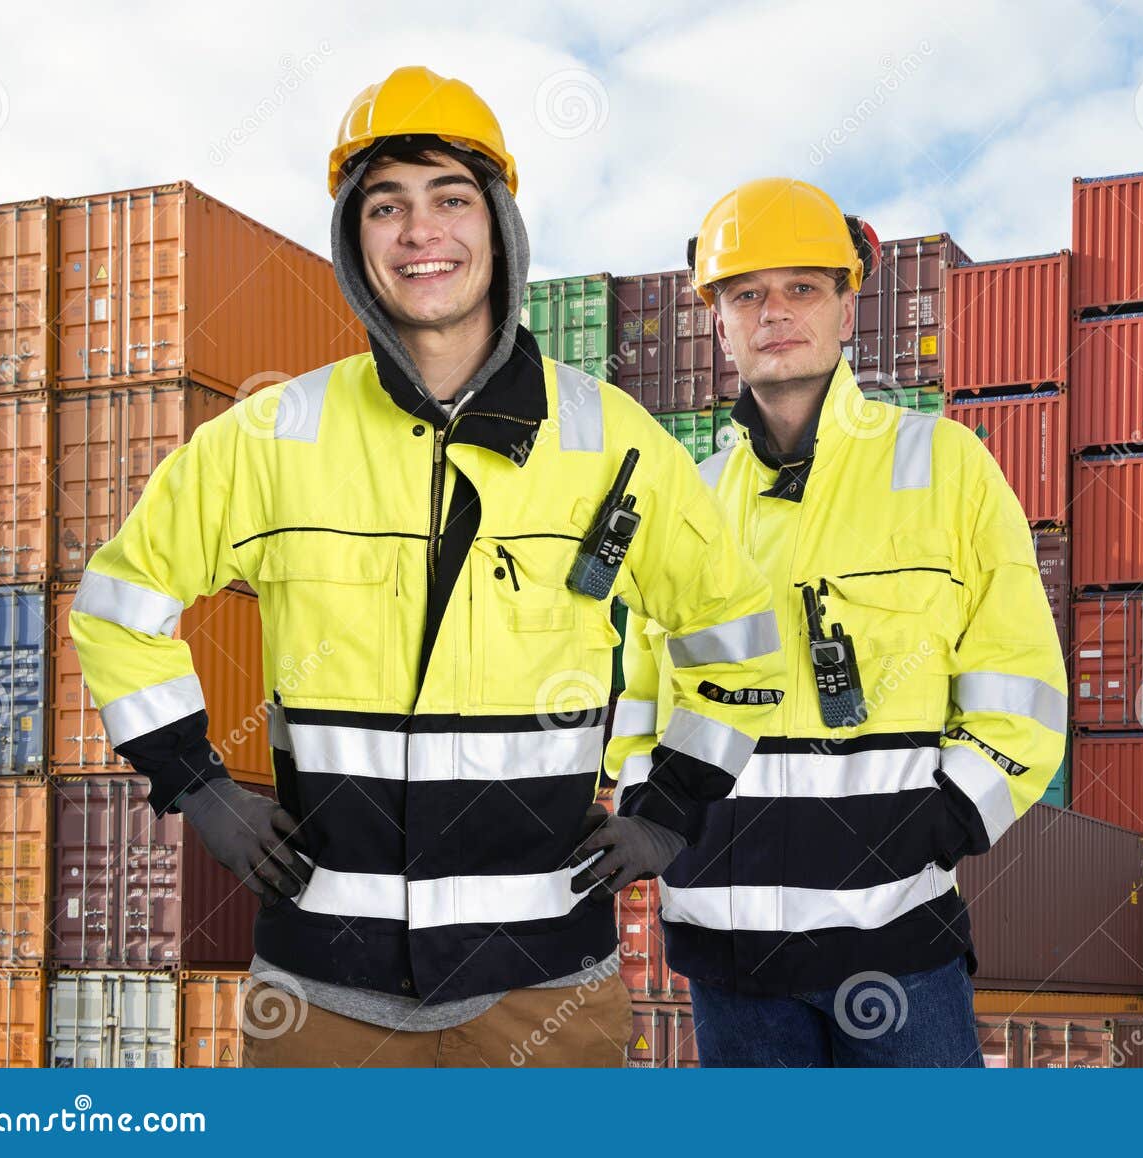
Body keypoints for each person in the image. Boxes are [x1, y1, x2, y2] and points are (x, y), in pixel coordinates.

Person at [68, 67, 782, 1068]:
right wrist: (200, 786)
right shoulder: (271, 438)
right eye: (385, 206)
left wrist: (669, 812)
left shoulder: (611, 439)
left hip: (545, 991)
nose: (419, 232)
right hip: (321, 996)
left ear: (499, 227)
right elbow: (117, 608)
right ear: (353, 241)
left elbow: (737, 638)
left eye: (450, 199)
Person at [607, 177, 1066, 1067]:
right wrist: (654, 819)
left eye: (802, 288)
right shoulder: (690, 500)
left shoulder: (945, 467)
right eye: (747, 295)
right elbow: (638, 699)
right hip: (727, 960)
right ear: (718, 324)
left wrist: (939, 825)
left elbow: (1023, 686)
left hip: (896, 949)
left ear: (847, 308)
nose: (775, 312)